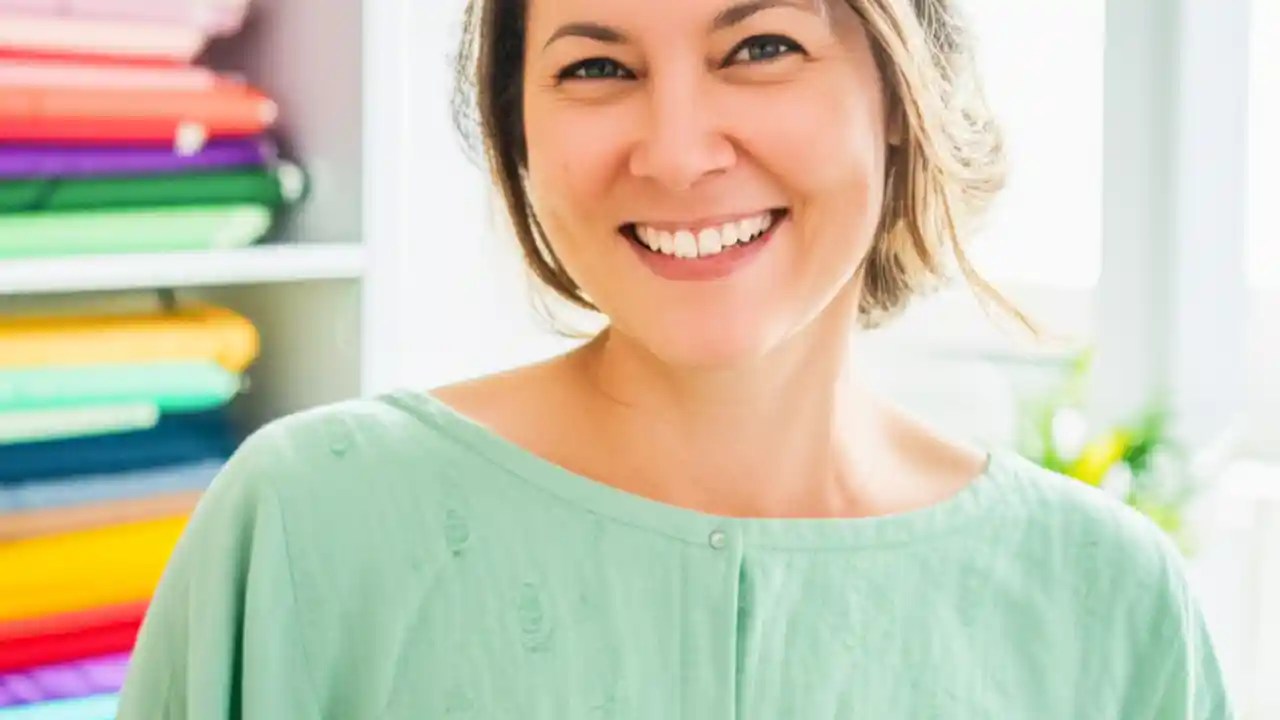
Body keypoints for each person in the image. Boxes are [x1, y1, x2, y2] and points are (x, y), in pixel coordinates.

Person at [118, 0, 1234, 716]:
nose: (677, 151)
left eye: (759, 47)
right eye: (596, 69)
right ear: (518, 126)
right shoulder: (307, 526)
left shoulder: (1105, 601)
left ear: (900, 92)